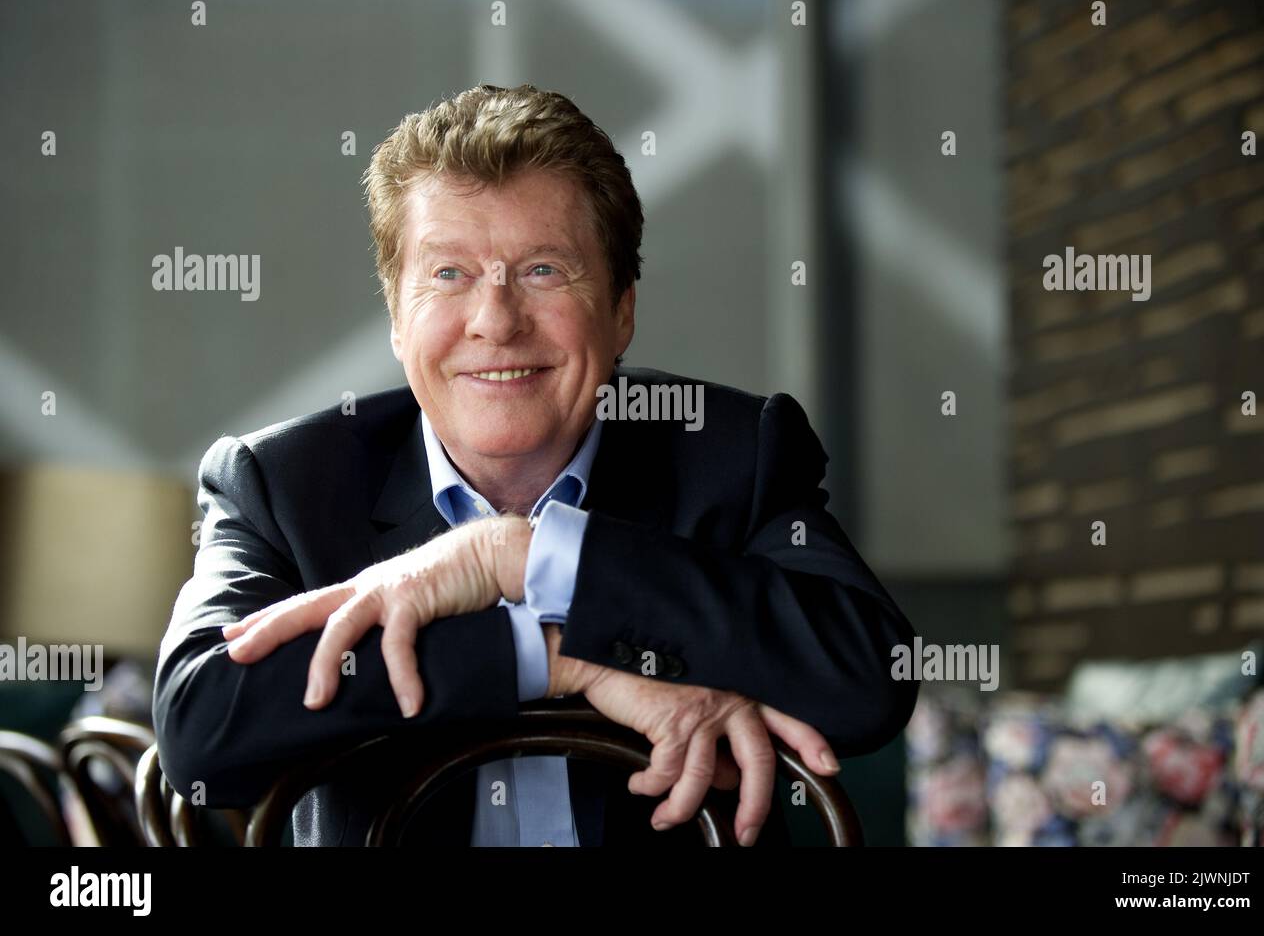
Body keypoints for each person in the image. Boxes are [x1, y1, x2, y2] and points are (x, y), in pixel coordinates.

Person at [153, 84, 919, 847]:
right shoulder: (283, 484)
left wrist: (523, 556)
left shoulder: (730, 452)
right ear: (395, 314)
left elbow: (871, 675)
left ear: (622, 310)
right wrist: (556, 659)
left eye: (545, 270)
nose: (495, 321)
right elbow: (200, 727)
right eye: (449, 274)